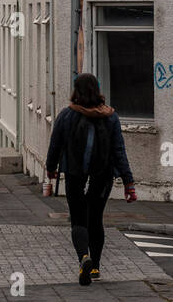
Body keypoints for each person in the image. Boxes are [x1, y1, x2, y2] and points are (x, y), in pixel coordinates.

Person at [46, 73, 136, 285]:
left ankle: (83, 257)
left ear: (76, 91)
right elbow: (119, 151)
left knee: (78, 218)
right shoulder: (110, 116)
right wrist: (128, 182)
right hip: (102, 175)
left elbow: (55, 145)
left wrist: (51, 170)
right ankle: (95, 266)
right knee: (95, 218)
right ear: (97, 90)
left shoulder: (67, 115)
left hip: (75, 173)